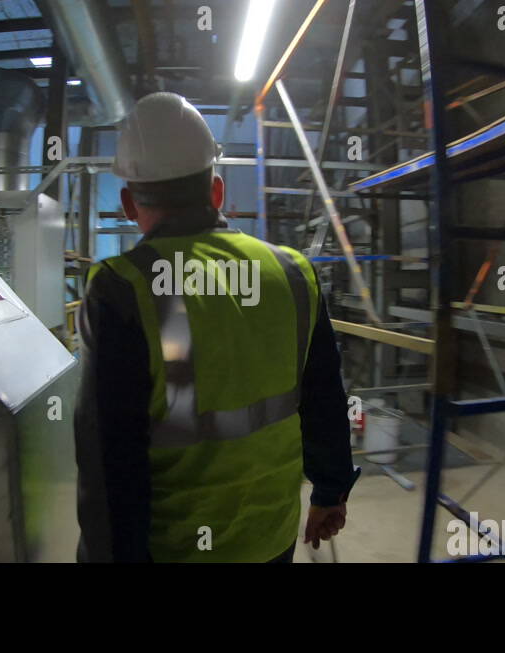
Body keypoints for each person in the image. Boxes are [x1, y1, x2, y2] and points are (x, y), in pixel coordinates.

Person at [74, 92, 357, 563]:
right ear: (218, 190)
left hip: (176, 550)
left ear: (128, 204)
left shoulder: (122, 290)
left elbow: (109, 461)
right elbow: (325, 397)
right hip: (272, 539)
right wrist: (330, 490)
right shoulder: (292, 273)